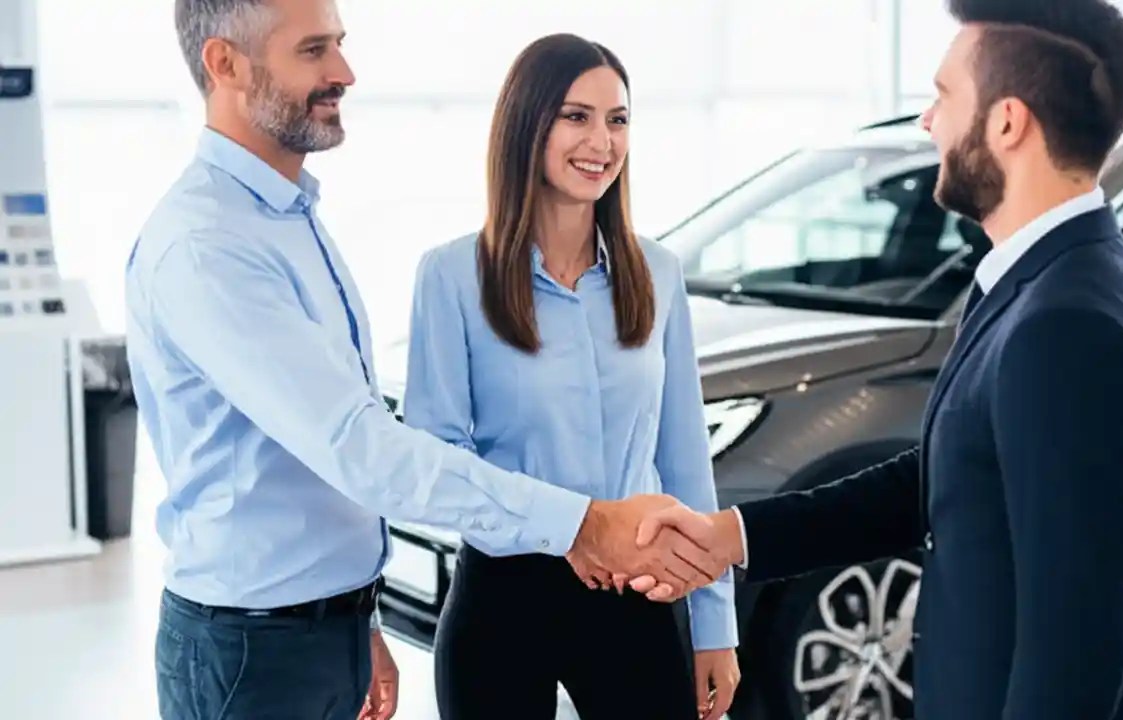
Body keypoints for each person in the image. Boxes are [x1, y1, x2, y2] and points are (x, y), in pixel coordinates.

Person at [128, 3, 711, 719]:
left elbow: (324, 461)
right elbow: (362, 448)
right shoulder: (210, 246)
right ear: (225, 64)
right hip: (259, 648)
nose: (345, 72)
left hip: (320, 626)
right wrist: (583, 524)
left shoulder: (290, 221)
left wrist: (357, 614)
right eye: (315, 51)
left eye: (339, 46)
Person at [633, 1, 1123, 718]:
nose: (928, 122)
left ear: (1007, 121)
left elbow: (1074, 657)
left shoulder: (1067, 326)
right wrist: (732, 537)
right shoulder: (1045, 280)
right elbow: (946, 478)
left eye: (944, 96)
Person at [403, 33, 740, 720]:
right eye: (577, 116)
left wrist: (716, 626)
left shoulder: (659, 274)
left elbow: (684, 461)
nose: (603, 141)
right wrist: (567, 528)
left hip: (638, 594)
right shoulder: (450, 277)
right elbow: (434, 461)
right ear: (526, 123)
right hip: (503, 596)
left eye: (617, 120)